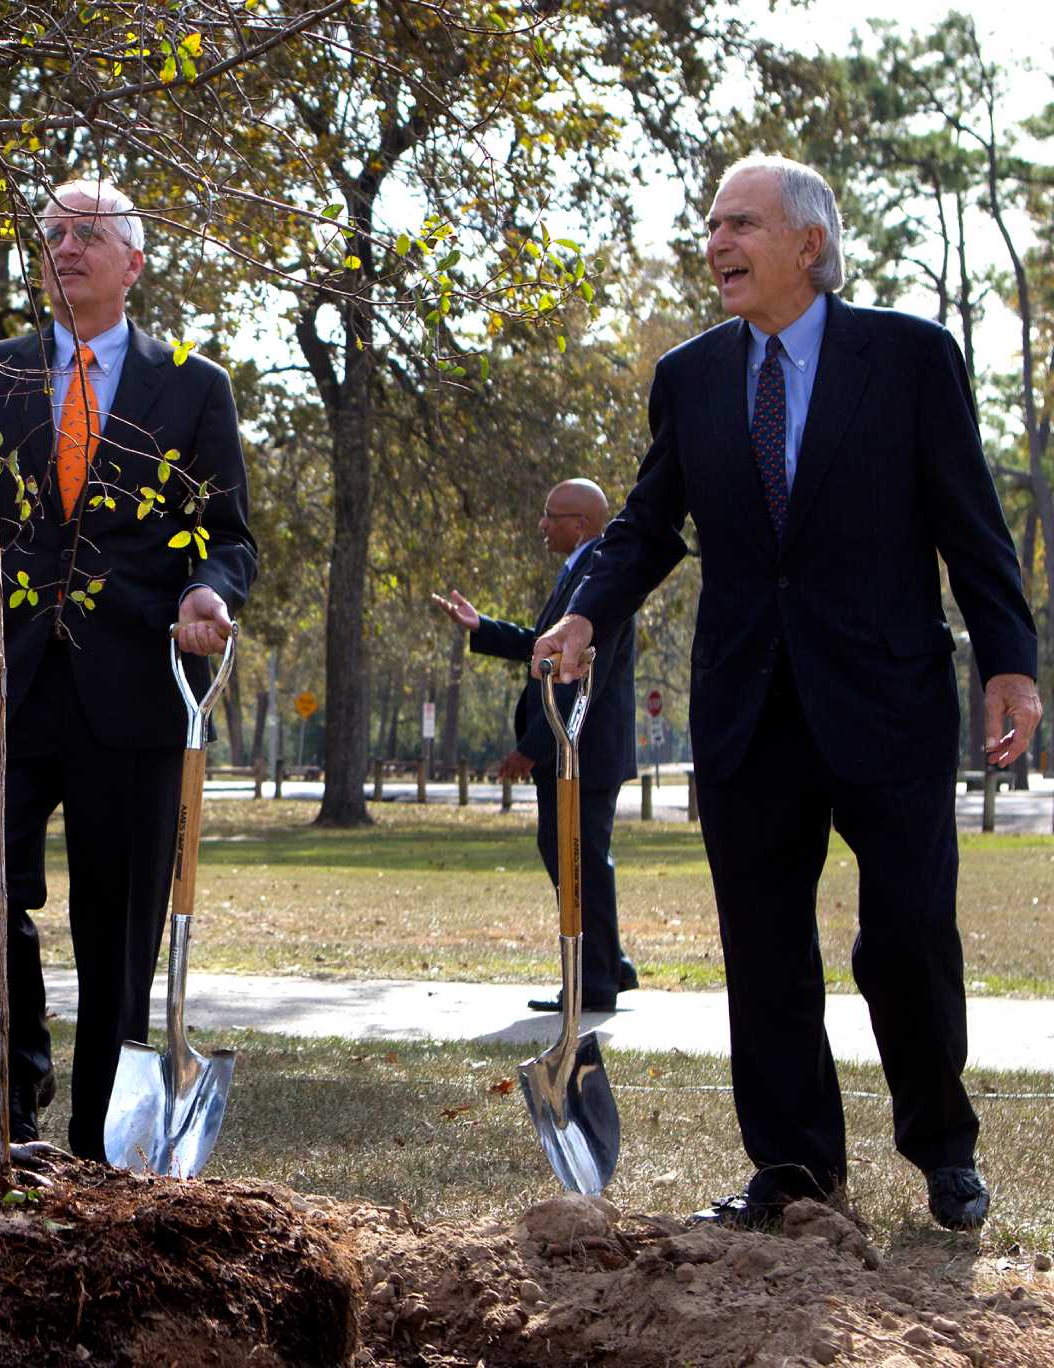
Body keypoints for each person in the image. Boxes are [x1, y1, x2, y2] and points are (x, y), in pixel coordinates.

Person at [531, 154, 1040, 1232]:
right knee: (762, 945)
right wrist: (586, 610)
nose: (716, 243)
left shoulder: (908, 359)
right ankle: (794, 1170)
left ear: (806, 242)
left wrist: (1007, 661)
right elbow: (645, 521)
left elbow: (969, 523)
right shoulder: (691, 373)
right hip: (746, 702)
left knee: (904, 936)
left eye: (739, 224)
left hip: (886, 698)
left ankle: (940, 1147)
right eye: (710, 225)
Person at [0, 179, 258, 1162]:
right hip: (7, 689)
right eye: (52, 235)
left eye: (88, 235)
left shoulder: (193, 386)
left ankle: (102, 1145)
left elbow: (228, 536)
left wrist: (207, 592)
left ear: (133, 262)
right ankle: (12, 1105)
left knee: (119, 930)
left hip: (136, 693)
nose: (67, 248)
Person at [432, 478, 638, 1012]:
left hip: (582, 749)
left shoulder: (599, 577)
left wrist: (532, 747)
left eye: (551, 515)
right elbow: (543, 646)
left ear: (581, 525)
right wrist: (484, 628)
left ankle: (595, 982)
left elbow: (570, 677)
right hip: (575, 748)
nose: (542, 525)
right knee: (574, 852)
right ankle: (609, 963)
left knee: (576, 856)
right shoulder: (583, 573)